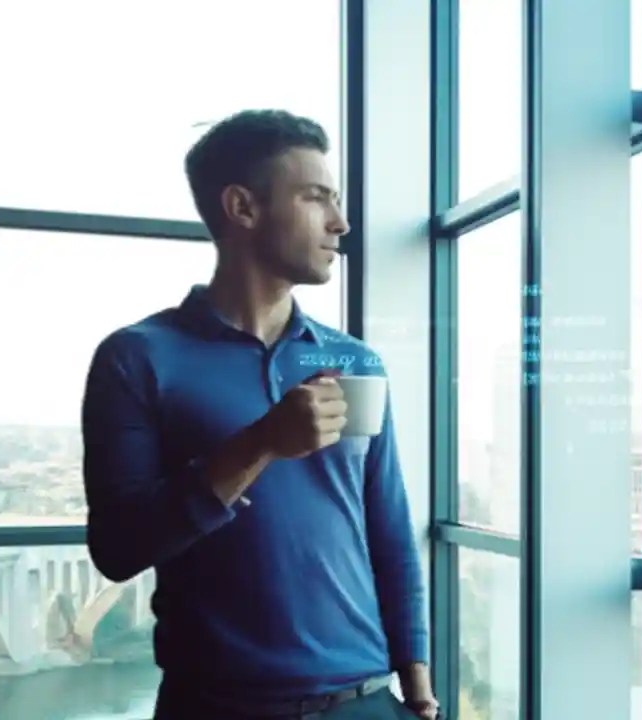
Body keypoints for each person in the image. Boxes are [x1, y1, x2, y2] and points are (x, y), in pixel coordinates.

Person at [80, 109, 438, 720]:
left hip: (367, 702)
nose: (340, 222)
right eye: (316, 198)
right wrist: (262, 442)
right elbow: (118, 549)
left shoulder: (354, 361)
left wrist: (419, 692)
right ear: (242, 207)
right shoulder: (137, 358)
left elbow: (388, 533)